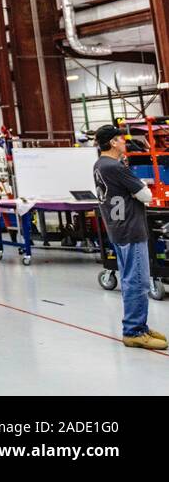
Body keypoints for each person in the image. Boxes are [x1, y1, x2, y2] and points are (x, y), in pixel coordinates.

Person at [92, 124, 165, 350]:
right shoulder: (115, 167)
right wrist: (141, 185)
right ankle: (134, 330)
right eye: (121, 139)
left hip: (118, 228)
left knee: (129, 279)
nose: (125, 142)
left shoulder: (100, 165)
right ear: (113, 142)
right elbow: (145, 195)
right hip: (131, 230)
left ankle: (137, 326)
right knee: (138, 281)